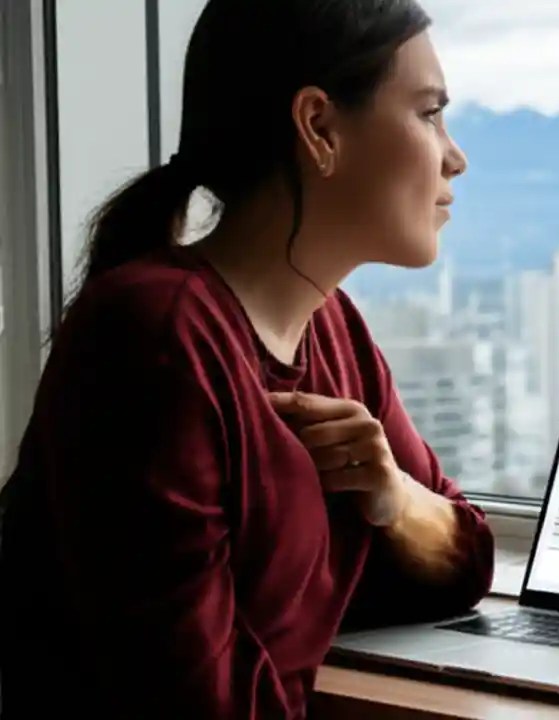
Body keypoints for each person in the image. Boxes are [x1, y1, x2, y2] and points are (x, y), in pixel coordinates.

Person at [0, 1, 493, 717]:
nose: (455, 155)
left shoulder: (334, 331)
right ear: (320, 126)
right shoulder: (158, 335)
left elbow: (462, 564)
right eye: (428, 113)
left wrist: (390, 496)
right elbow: (191, 701)